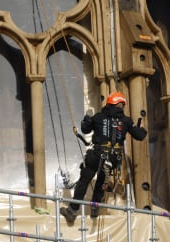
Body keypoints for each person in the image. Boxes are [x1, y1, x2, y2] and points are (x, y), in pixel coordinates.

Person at [60, 92, 147, 223]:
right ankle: (95, 208)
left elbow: (85, 130)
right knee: (101, 181)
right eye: (122, 105)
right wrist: (142, 128)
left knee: (84, 180)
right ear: (119, 104)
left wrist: (87, 118)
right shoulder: (126, 121)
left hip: (97, 155)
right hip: (112, 159)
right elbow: (139, 136)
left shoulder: (98, 117)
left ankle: (72, 211)